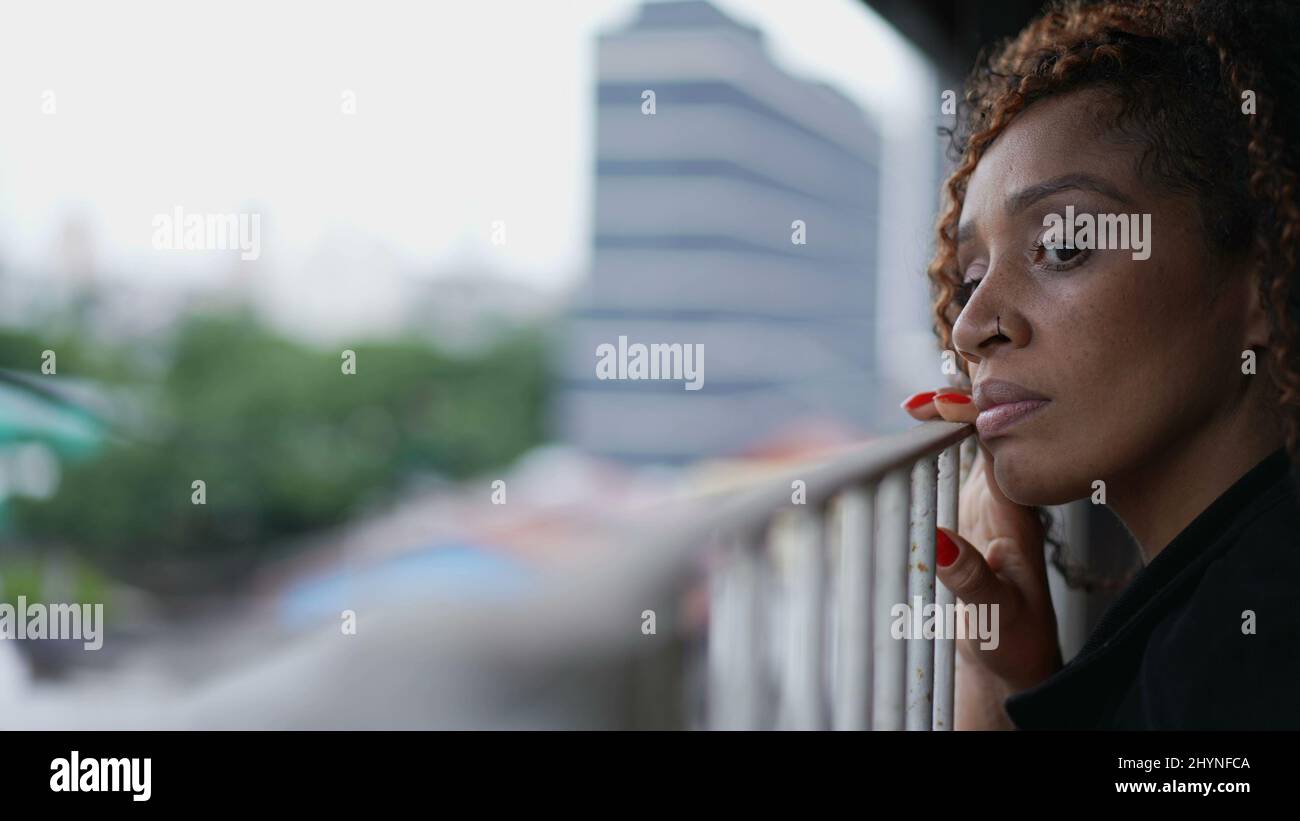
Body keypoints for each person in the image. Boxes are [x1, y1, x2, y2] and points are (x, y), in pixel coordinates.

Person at [900, 0, 1300, 729]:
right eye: (969, 277)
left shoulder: (1248, 648)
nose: (971, 326)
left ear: (1263, 285)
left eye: (1062, 245)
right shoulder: (1219, 609)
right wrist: (1004, 673)